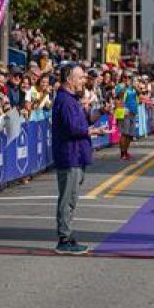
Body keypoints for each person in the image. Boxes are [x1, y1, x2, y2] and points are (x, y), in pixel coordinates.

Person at [52, 63, 109, 254]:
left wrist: (100, 112)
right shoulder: (65, 100)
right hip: (70, 155)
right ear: (70, 80)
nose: (83, 80)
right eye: (80, 77)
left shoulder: (73, 99)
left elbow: (85, 120)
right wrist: (91, 131)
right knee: (68, 198)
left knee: (72, 198)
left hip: (77, 154)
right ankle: (64, 239)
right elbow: (73, 128)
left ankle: (67, 234)